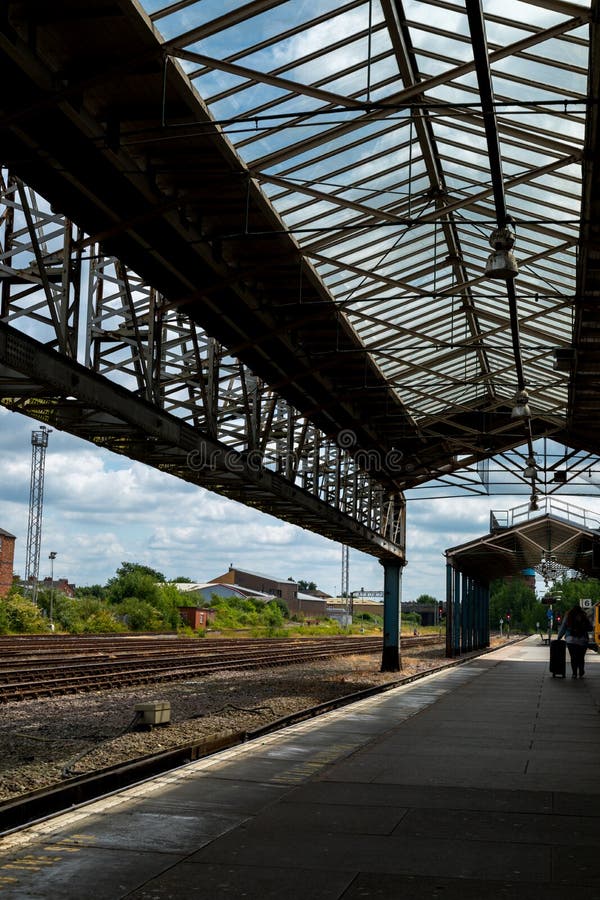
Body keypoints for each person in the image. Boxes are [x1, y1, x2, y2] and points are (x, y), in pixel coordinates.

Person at [557, 604, 591, 679]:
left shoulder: (568, 616)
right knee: (581, 657)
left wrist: (559, 637)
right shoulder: (583, 616)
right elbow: (590, 627)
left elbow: (563, 627)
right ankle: (581, 671)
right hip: (582, 640)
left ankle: (574, 673)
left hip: (571, 640)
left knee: (573, 657)